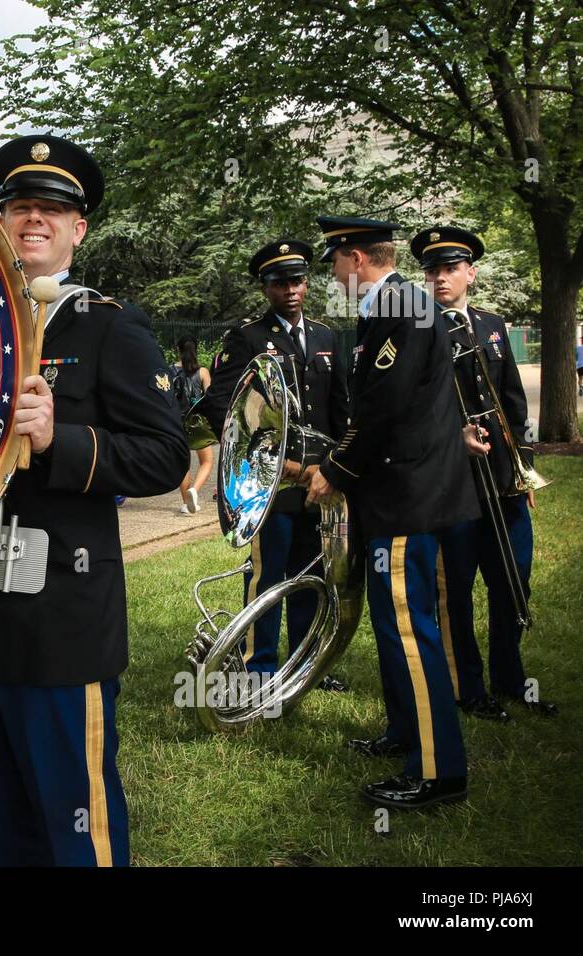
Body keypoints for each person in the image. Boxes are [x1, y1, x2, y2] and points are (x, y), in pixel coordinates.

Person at [0, 135, 189, 865]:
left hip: (58, 619)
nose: (32, 219)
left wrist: (58, 440)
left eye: (52, 209)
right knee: (0, 818)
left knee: (76, 819)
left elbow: (165, 455)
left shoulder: (109, 325)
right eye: (17, 206)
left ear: (79, 229)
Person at [307, 215, 480, 810]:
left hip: (405, 495)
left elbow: (383, 408)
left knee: (410, 631)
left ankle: (437, 772)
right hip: (405, 491)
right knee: (393, 625)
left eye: (333, 261)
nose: (331, 273)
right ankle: (406, 732)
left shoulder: (399, 307)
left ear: (356, 258)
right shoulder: (406, 304)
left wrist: (334, 470)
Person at [412, 226, 556, 720]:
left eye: (450, 268)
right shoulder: (416, 330)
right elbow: (411, 411)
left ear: (470, 273)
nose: (439, 278)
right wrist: (454, 438)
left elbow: (514, 402)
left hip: (502, 479)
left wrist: (524, 469)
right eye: (431, 270)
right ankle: (467, 688)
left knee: (513, 579)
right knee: (456, 588)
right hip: (454, 484)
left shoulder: (492, 325)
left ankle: (511, 679)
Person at [196, 239, 350, 688]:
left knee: (312, 570)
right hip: (272, 480)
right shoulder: (247, 338)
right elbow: (221, 406)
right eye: (281, 282)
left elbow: (341, 407)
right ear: (266, 288)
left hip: (320, 479)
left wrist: (339, 466)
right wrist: (265, 457)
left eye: (298, 279)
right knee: (268, 573)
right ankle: (260, 663)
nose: (292, 289)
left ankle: (305, 662)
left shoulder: (325, 337)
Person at [173, 336, 213, 515]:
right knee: (207, 461)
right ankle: (194, 491)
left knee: (183, 464)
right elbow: (210, 398)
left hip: (176, 422)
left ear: (177, 350)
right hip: (197, 423)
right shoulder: (203, 372)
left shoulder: (169, 371)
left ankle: (186, 503)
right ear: (195, 350)